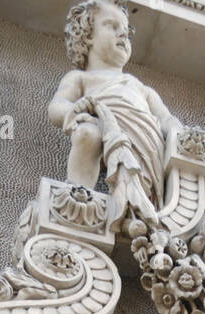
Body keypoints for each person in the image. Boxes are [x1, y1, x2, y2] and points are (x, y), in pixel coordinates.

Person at [48, 1, 173, 229]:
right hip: (102, 127)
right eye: (111, 26)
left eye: (126, 30)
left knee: (143, 188)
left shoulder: (140, 88)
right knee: (87, 133)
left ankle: (140, 212)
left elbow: (166, 119)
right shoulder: (80, 78)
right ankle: (79, 195)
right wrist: (77, 110)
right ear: (87, 36)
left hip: (147, 146)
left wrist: (181, 133)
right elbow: (56, 107)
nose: (123, 34)